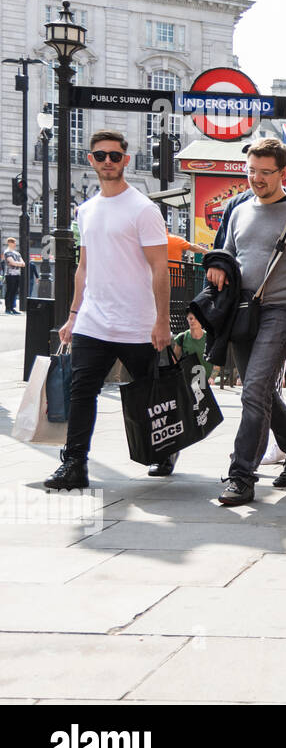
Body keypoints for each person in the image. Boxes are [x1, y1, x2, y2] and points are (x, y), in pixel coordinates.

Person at [43, 131, 172, 489]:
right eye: (101, 156)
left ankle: (164, 449)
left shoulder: (143, 209)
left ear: (126, 160)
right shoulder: (86, 211)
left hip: (138, 322)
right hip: (93, 322)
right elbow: (84, 266)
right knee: (82, 391)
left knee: (149, 393)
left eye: (115, 156)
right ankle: (74, 465)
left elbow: (160, 268)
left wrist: (162, 321)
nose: (108, 162)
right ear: (91, 160)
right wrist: (73, 315)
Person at [206, 137, 286, 505]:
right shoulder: (239, 210)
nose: (256, 178)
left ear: (284, 172)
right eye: (251, 170)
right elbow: (226, 253)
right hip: (242, 312)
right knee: (262, 392)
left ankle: (242, 475)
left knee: (253, 390)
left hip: (282, 312)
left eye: (264, 172)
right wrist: (217, 268)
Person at [173, 311, 213, 381]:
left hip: (207, 383)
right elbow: (175, 359)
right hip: (188, 381)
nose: (193, 321)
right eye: (190, 318)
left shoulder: (210, 338)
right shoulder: (182, 337)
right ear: (187, 319)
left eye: (196, 318)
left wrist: (212, 378)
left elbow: (216, 363)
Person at [3, 237, 24, 313]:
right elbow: (12, 263)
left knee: (14, 292)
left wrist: (17, 263)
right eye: (13, 242)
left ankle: (12, 308)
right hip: (10, 274)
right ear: (9, 243)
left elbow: (23, 263)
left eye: (15, 242)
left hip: (17, 274)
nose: (15, 244)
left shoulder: (17, 253)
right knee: (9, 291)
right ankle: (7, 309)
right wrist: (19, 263)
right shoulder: (7, 252)